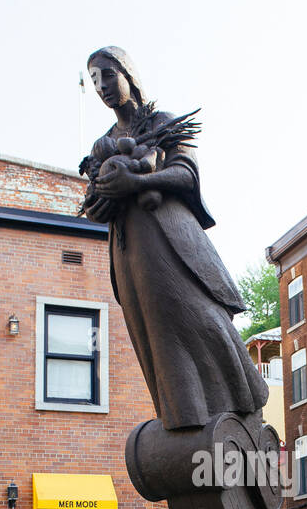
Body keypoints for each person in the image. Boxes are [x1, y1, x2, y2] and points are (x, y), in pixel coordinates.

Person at [81, 46, 267, 431]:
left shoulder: (162, 123)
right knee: (152, 330)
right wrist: (100, 202)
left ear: (128, 74)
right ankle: (183, 418)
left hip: (168, 240)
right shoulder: (102, 144)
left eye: (108, 75)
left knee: (192, 315)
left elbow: (187, 175)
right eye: (95, 80)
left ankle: (236, 402)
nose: (102, 87)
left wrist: (138, 181)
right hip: (128, 250)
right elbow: (94, 200)